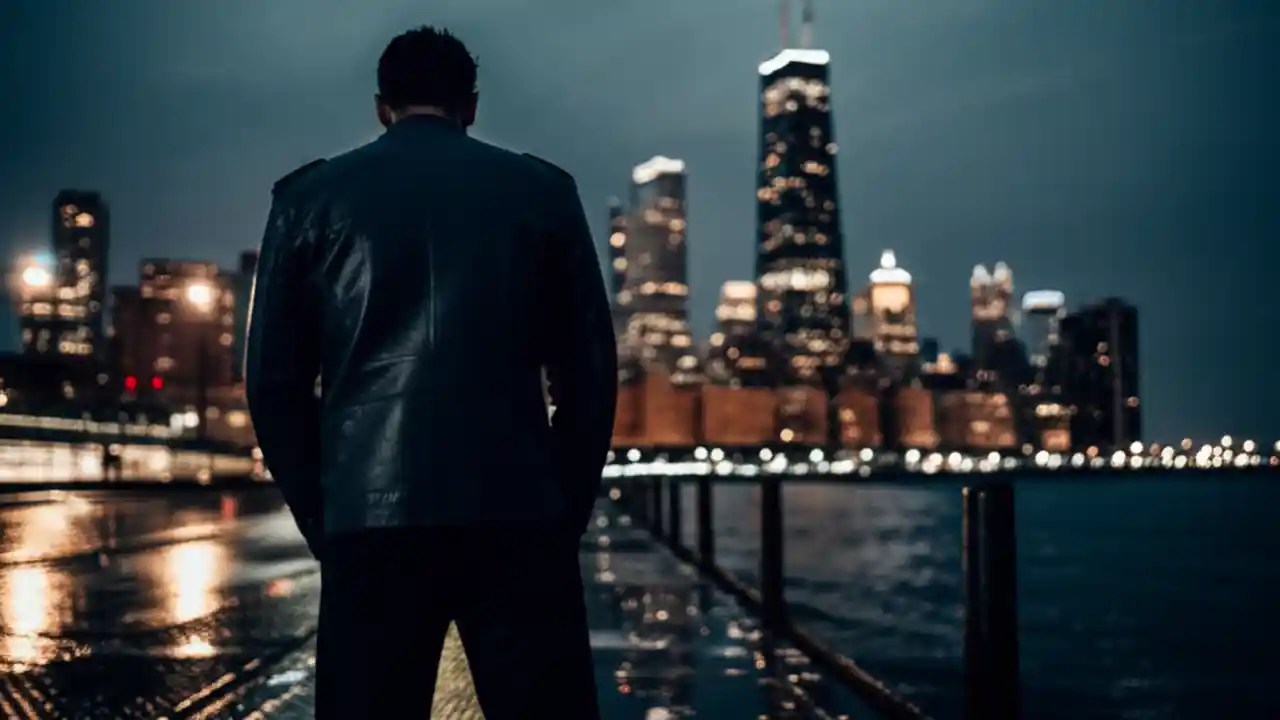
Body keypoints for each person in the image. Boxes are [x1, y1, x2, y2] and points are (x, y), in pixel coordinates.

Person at [244, 25, 616, 719]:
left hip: (369, 520)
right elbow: (589, 378)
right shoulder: (544, 193)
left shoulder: (306, 201)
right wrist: (560, 512)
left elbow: (273, 386)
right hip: (518, 515)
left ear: (381, 106)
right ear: (470, 106)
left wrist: (326, 514)